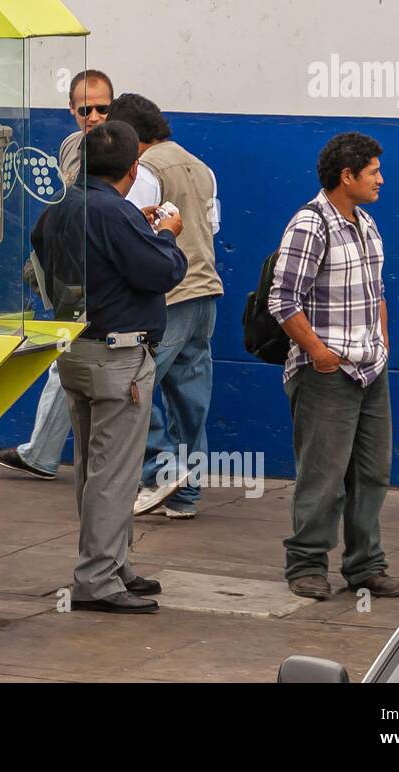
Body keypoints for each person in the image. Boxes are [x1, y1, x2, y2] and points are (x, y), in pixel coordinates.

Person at [34, 121, 187, 613]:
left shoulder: (62, 207)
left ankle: (112, 564)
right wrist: (164, 234)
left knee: (92, 469)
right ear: (132, 167)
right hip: (117, 356)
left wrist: (135, 230)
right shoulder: (113, 212)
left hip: (76, 349)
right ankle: (98, 578)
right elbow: (162, 271)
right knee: (114, 474)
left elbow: (49, 250)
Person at [268, 132, 399, 601]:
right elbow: (282, 300)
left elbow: (377, 293)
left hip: (371, 370)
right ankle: (306, 564)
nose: (381, 181)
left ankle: (365, 565)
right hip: (327, 374)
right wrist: (321, 355)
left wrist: (381, 344)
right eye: (373, 173)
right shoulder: (310, 225)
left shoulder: (366, 224)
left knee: (371, 473)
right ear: (346, 177)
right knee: (323, 476)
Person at [106, 94, 224, 520]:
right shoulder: (200, 166)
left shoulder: (146, 170)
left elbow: (131, 232)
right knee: (190, 399)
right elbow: (212, 225)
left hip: (166, 297)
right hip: (205, 291)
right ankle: (186, 495)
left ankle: (158, 476)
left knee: (136, 386)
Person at [0, 69, 114, 479]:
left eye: (103, 108)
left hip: (106, 279)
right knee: (67, 361)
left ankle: (46, 453)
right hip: (75, 275)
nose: (95, 116)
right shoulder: (71, 145)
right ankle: (43, 452)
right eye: (86, 109)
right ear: (71, 109)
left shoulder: (122, 148)